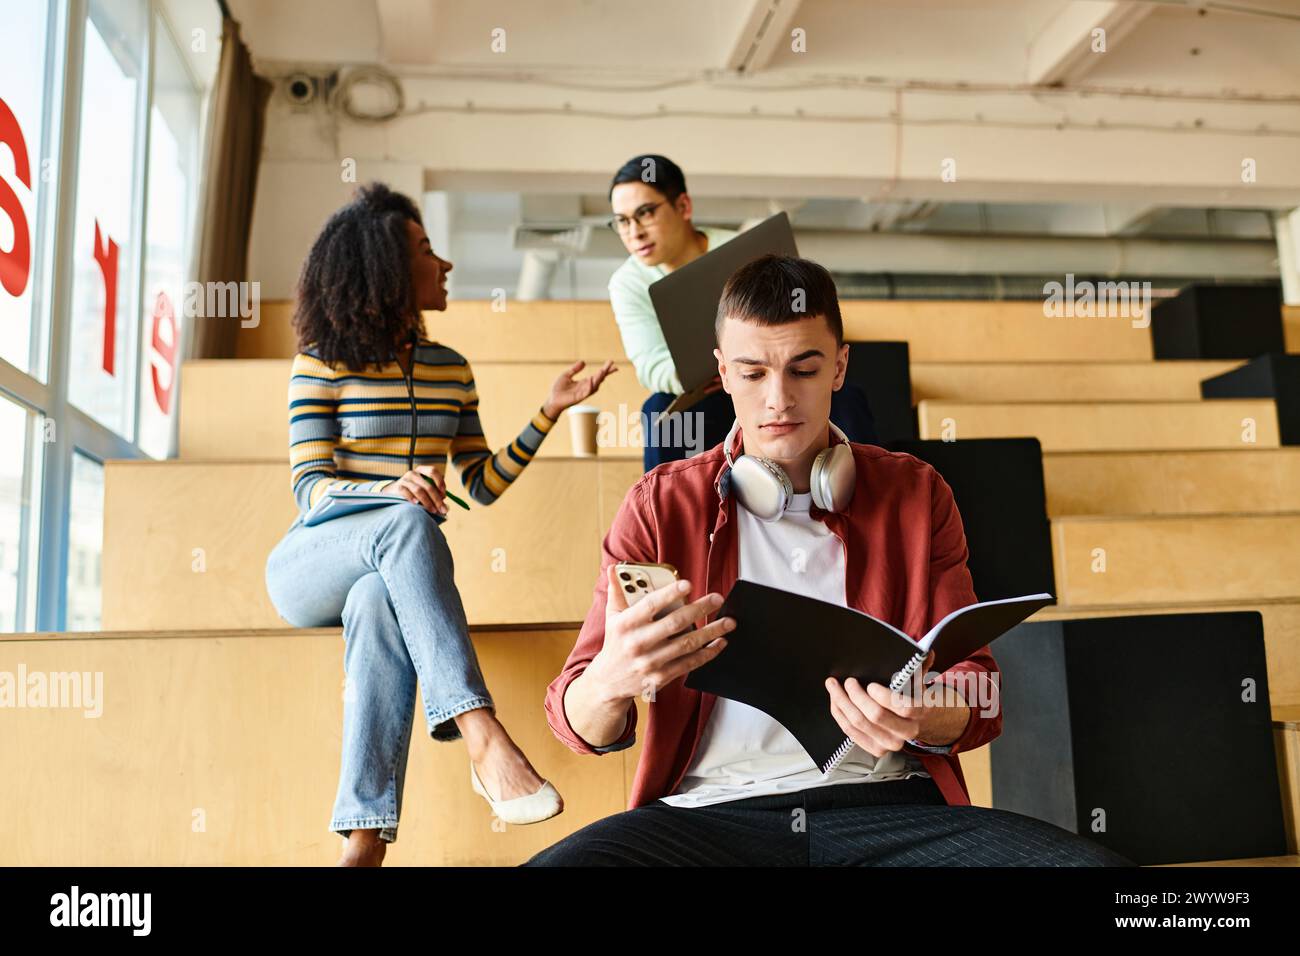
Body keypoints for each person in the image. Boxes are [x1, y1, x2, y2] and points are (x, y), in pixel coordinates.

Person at [526, 255, 1134, 866]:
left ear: (839, 366)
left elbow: (982, 699)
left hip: (888, 808)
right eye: (753, 372)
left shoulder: (918, 494)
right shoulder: (659, 505)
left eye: (804, 369)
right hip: (708, 821)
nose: (778, 398)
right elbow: (575, 723)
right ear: (722, 375)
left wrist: (924, 715)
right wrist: (610, 680)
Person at [263, 182, 618, 866]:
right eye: (427, 250)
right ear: (387, 270)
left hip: (383, 572)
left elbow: (479, 484)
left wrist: (547, 412)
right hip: (310, 562)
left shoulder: (450, 370)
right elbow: (309, 491)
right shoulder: (320, 365)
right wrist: (387, 487)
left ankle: (363, 838)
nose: (444, 264)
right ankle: (481, 735)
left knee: (377, 601)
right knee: (403, 522)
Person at [605, 154, 877, 472]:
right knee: (659, 411)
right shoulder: (626, 283)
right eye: (622, 221)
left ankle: (865, 491)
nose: (634, 232)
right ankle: (668, 510)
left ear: (683, 207)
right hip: (701, 393)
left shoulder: (743, 249)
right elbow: (650, 365)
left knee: (844, 393)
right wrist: (707, 372)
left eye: (645, 213)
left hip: (768, 373)